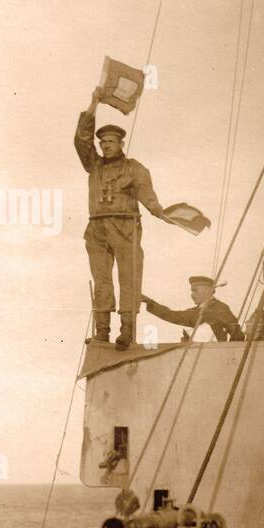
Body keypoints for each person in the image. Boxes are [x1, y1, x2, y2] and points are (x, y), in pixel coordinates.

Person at [75, 87, 167, 349]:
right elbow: (82, 139)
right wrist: (93, 103)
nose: (105, 146)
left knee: (129, 277)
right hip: (97, 228)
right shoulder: (93, 165)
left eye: (110, 142)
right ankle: (102, 332)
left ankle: (127, 330)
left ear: (120, 144)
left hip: (126, 225)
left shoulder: (134, 168)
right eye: (102, 143)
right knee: (101, 279)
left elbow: (148, 196)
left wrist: (159, 211)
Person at [142, 276, 244, 342]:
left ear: (208, 290)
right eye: (192, 291)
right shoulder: (198, 310)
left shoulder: (220, 308)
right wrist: (149, 302)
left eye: (195, 291)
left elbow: (237, 335)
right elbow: (173, 315)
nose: (192, 295)